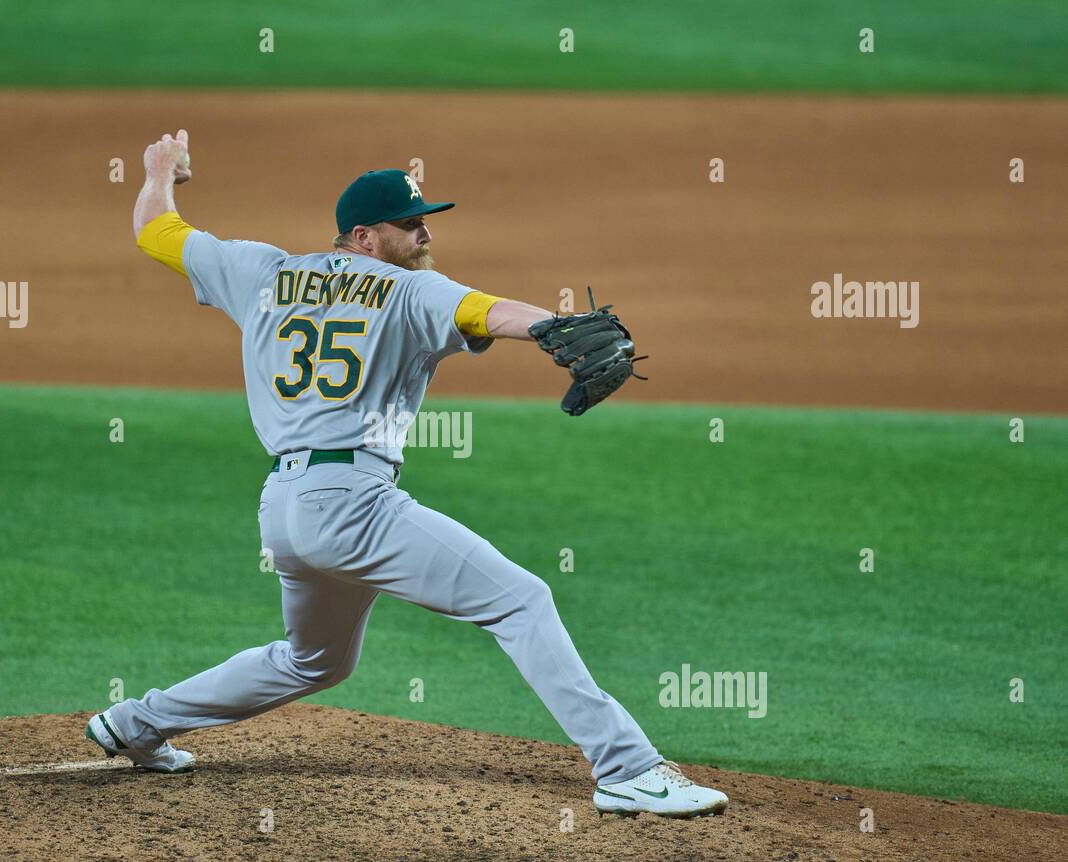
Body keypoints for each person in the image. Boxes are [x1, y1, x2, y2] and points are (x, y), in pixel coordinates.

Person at [85, 129, 728, 819]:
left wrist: (157, 171)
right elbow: (491, 312)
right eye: (409, 225)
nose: (424, 235)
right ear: (363, 236)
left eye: (425, 222)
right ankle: (626, 768)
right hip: (353, 506)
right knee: (521, 600)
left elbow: (156, 231)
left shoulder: (259, 271)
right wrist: (562, 326)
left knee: (316, 661)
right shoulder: (406, 292)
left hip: (285, 510)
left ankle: (137, 724)